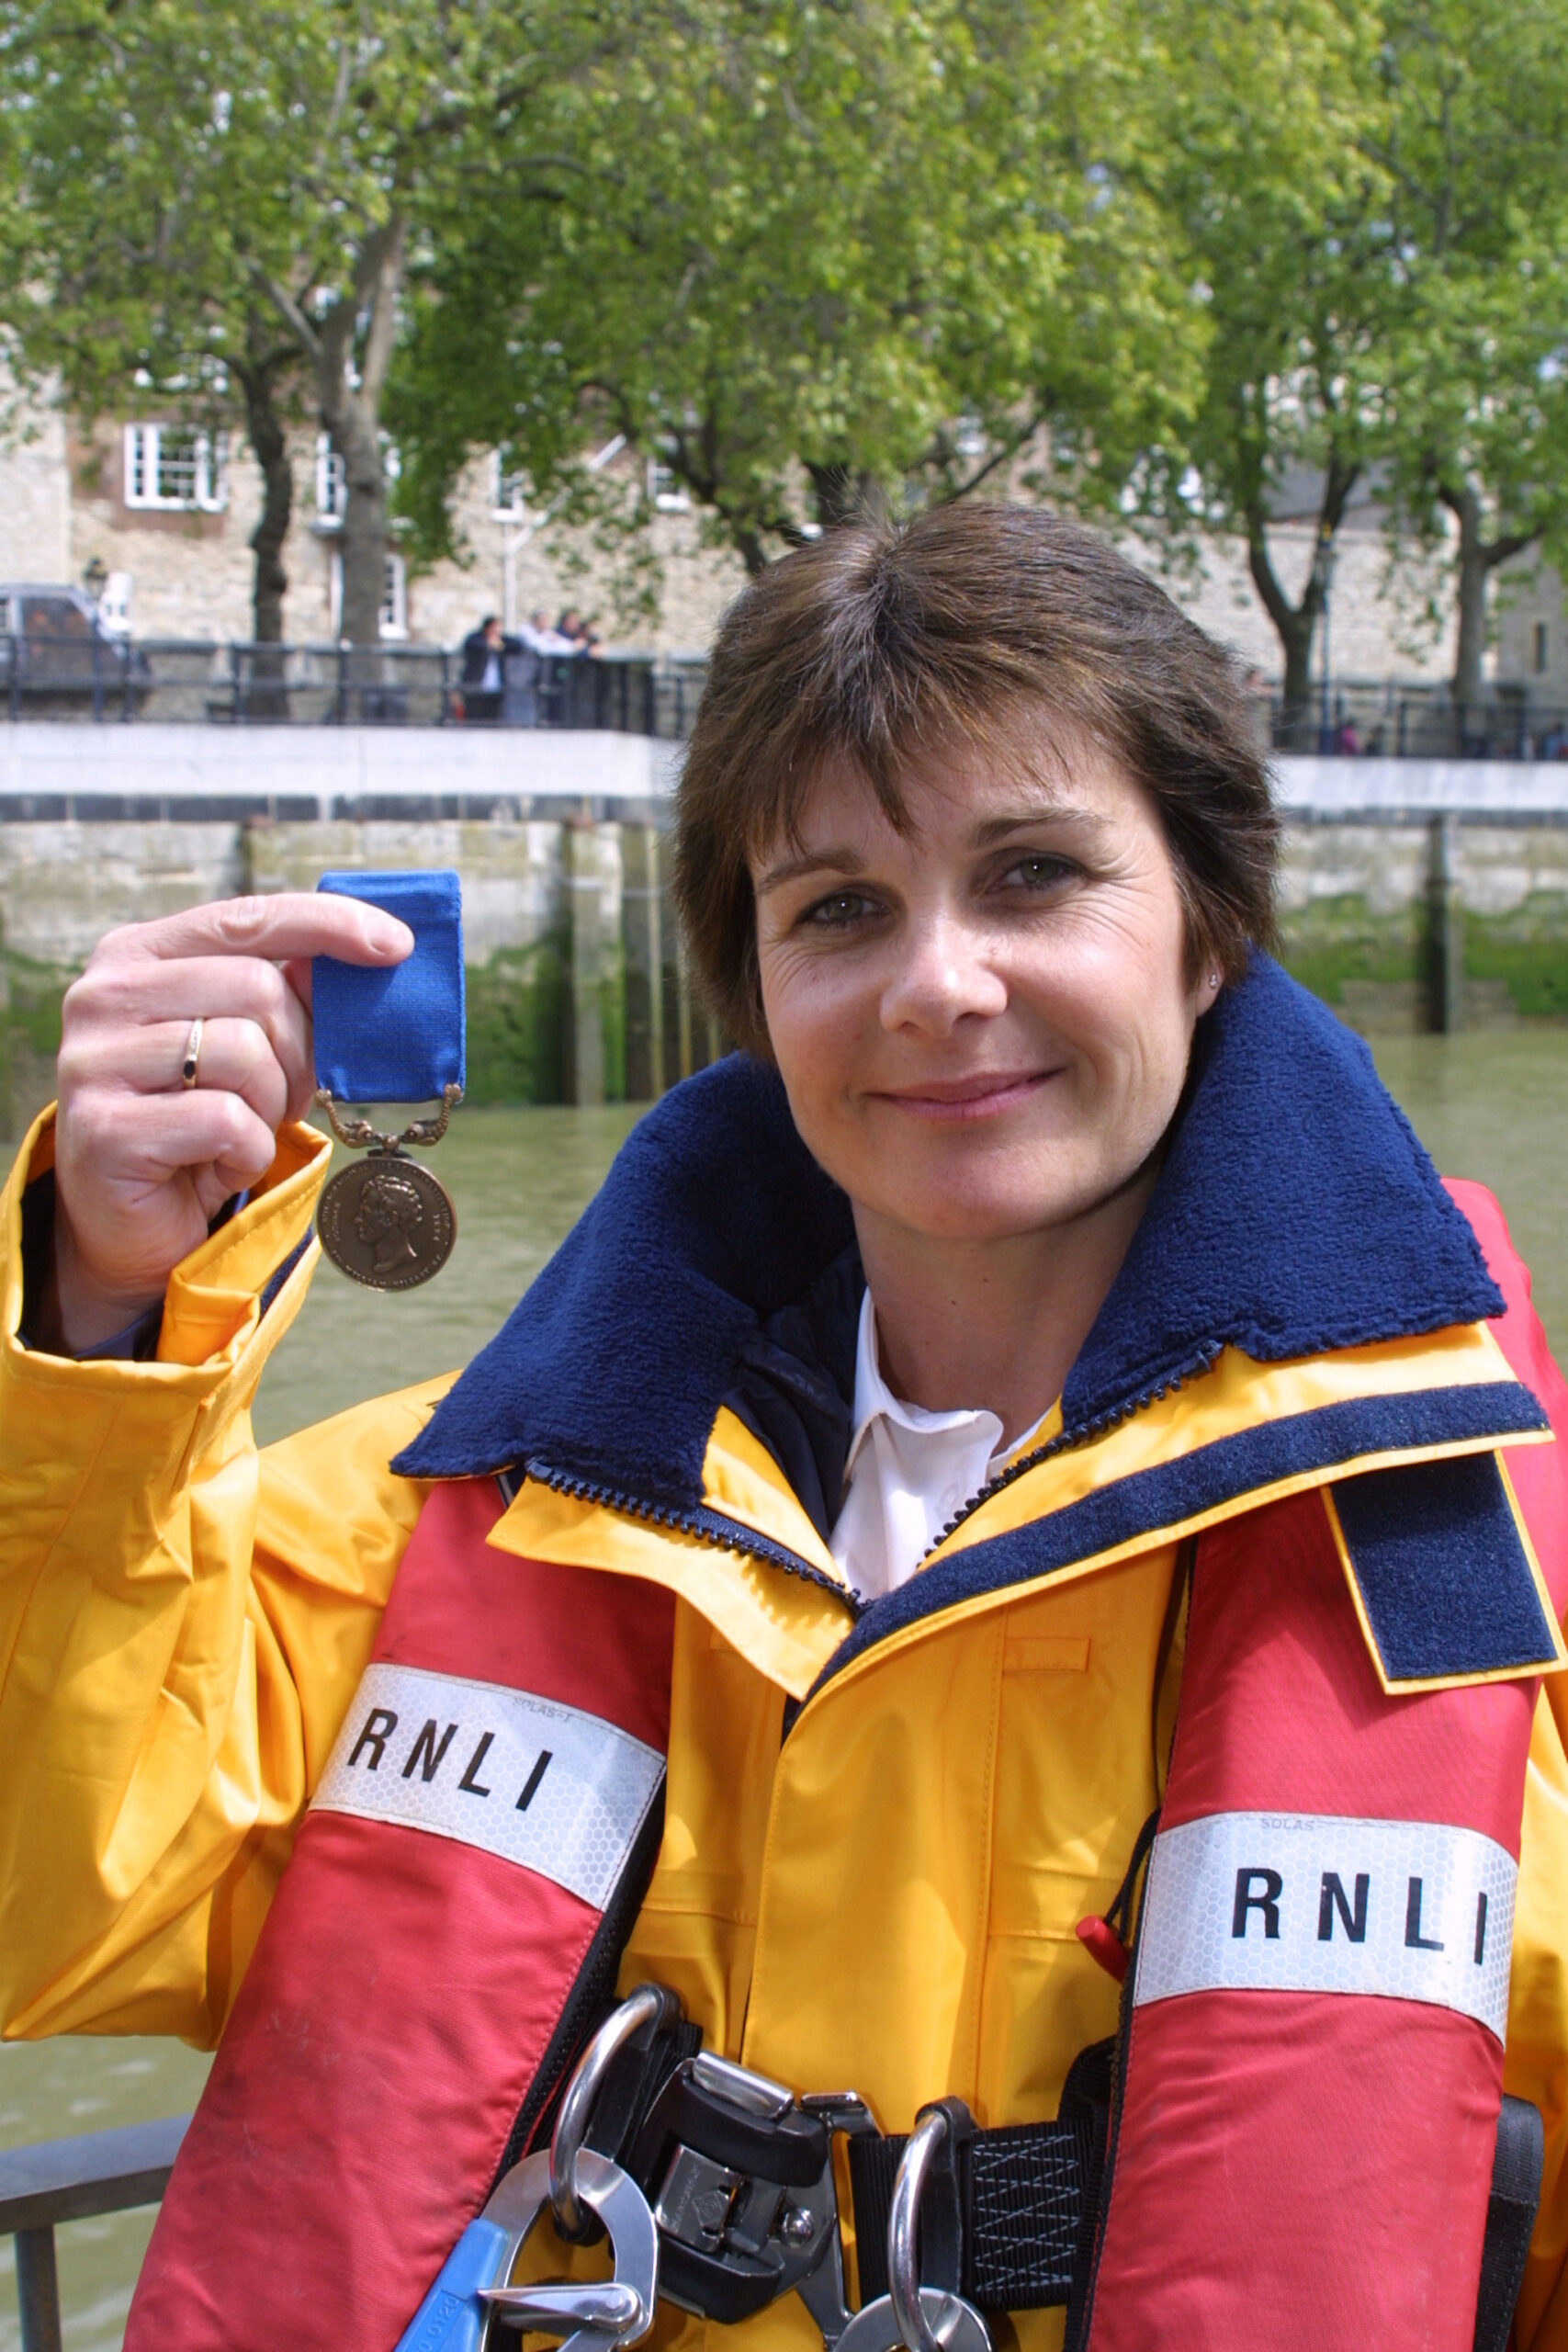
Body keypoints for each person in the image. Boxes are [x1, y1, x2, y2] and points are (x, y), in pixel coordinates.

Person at [2, 506, 1566, 2352]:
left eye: (1037, 872)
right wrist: (91, 1324)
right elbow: (52, 1912)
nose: (935, 983)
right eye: (836, 908)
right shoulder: (448, 1505)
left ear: (1208, 926)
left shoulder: (1502, 1559)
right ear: (749, 988)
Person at [458, 612, 511, 720]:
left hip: (495, 685)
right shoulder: (476, 638)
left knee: (492, 715)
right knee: (474, 715)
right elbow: (470, 644)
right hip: (476, 684)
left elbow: (517, 645)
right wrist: (488, 644)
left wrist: (501, 645)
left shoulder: (502, 640)